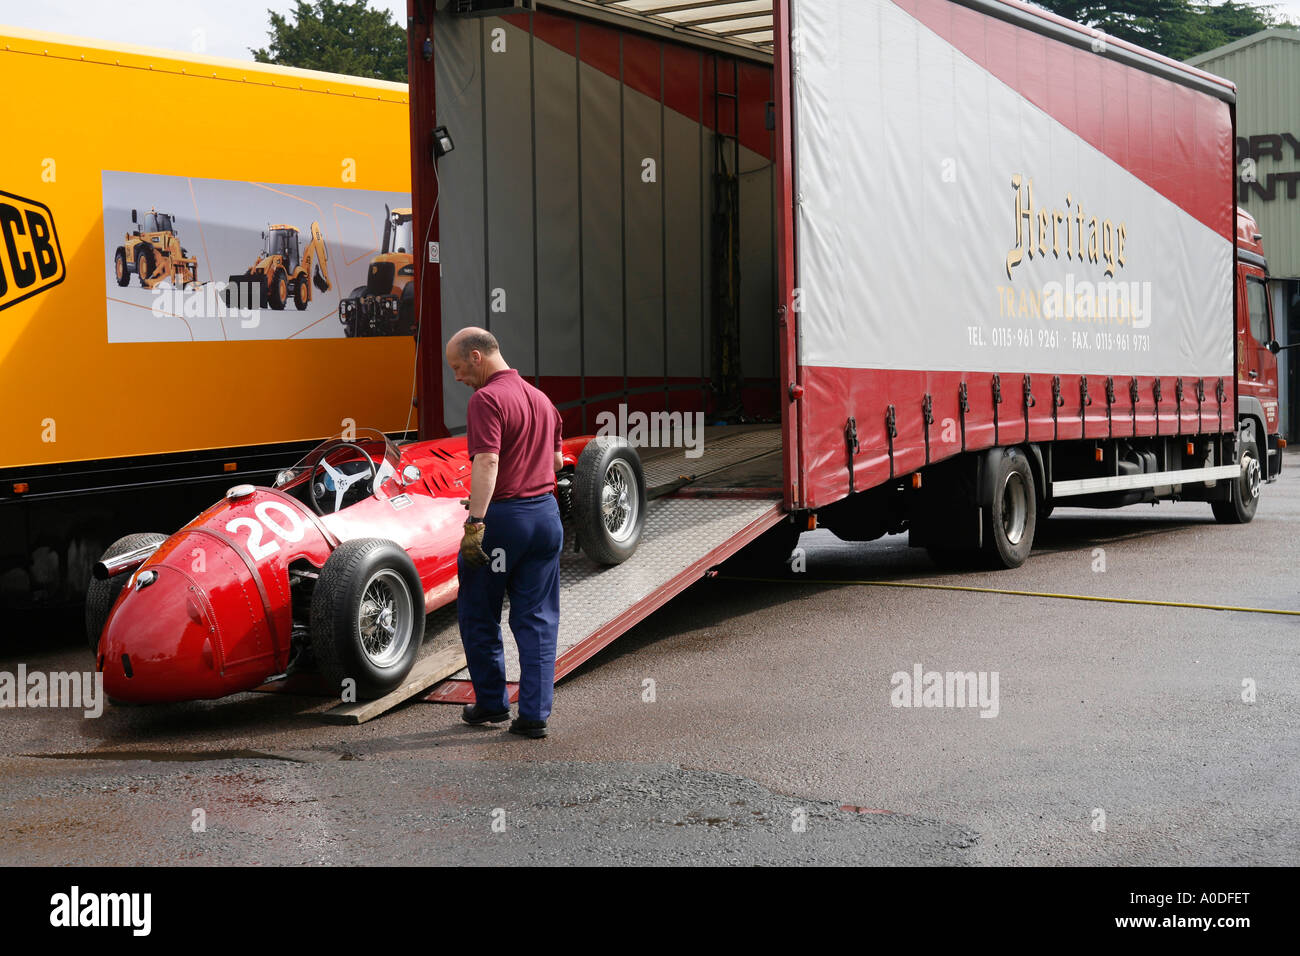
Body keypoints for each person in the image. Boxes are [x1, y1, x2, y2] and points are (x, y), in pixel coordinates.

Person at [445, 327, 564, 739]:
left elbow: (487, 463)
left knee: (479, 613)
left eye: (458, 368)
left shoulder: (487, 399)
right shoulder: (542, 400)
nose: (457, 378)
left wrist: (476, 522)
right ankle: (533, 715)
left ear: (476, 357)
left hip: (504, 522)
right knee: (537, 619)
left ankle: (493, 704)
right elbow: (558, 462)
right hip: (545, 518)